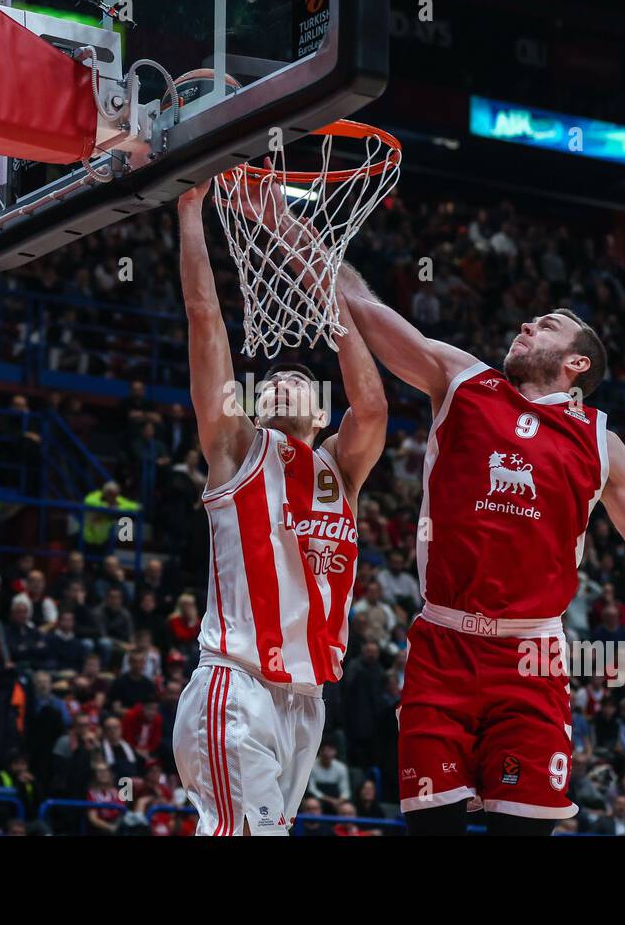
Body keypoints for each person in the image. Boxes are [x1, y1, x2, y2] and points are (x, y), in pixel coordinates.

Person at [336, 275, 625, 836]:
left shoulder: (600, 442)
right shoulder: (462, 381)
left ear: (577, 363)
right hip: (443, 644)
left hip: (531, 657)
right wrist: (285, 226)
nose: (526, 325)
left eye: (547, 325)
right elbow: (364, 309)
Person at [170, 181, 387, 836]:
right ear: (257, 404)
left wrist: (330, 301)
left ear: (322, 415)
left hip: (306, 701)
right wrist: (189, 210)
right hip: (236, 684)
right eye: (274, 381)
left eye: (303, 379)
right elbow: (205, 319)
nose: (287, 380)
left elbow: (372, 404)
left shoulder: (341, 472)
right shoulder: (237, 449)